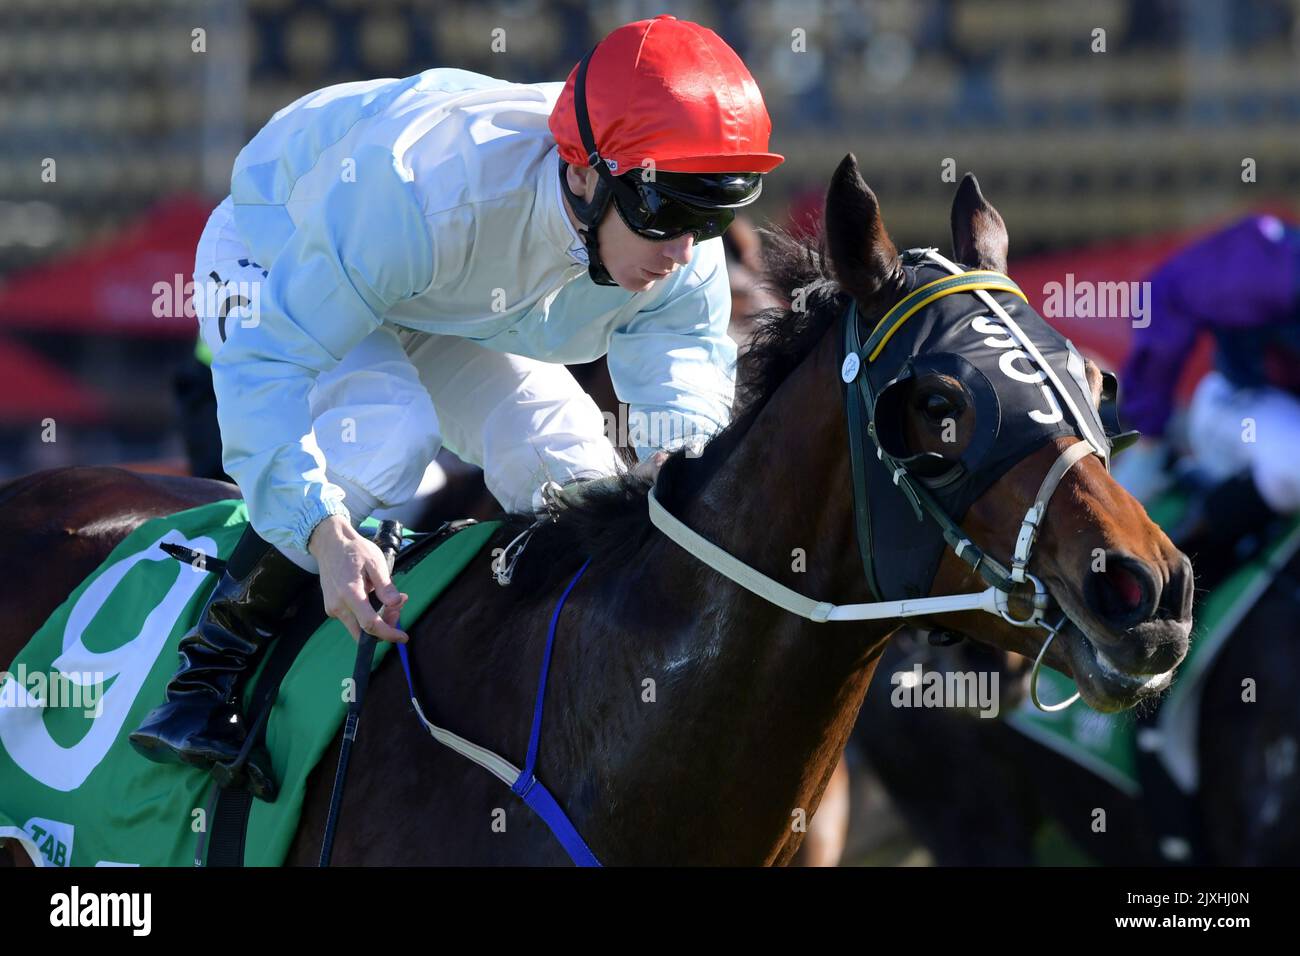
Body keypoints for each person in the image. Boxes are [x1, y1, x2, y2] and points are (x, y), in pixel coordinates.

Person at [129, 15, 783, 798]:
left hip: (442, 293)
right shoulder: (419, 189)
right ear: (584, 175)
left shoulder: (676, 239)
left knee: (576, 472)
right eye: (668, 215)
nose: (685, 250)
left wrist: (680, 476)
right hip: (281, 243)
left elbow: (682, 399)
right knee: (385, 441)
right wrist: (325, 535)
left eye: (709, 215)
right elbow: (270, 365)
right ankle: (205, 674)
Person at [1114, 214, 1300, 542]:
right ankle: (1186, 562)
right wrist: (1149, 436)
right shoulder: (1270, 267)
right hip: (1241, 403)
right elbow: (1167, 293)